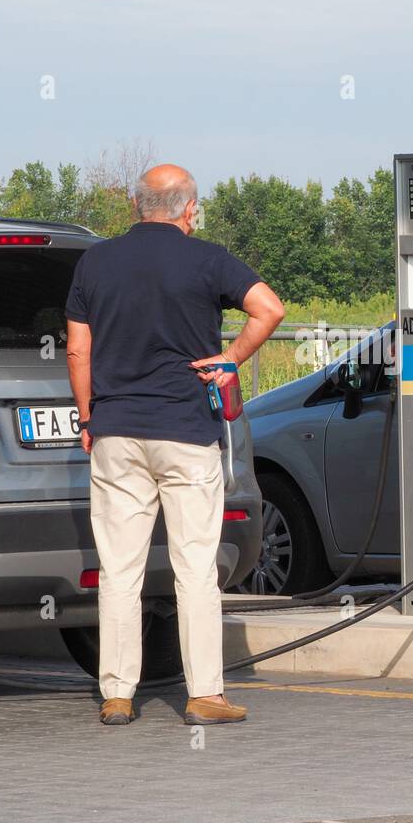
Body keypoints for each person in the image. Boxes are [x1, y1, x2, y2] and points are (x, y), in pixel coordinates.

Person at [65, 163, 285, 726]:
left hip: (116, 432)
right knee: (193, 566)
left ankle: (116, 694)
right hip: (186, 432)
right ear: (188, 209)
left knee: (119, 568)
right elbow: (270, 309)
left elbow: (77, 351)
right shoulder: (208, 259)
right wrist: (231, 359)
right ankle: (204, 695)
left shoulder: (96, 260)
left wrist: (89, 419)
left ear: (138, 206)